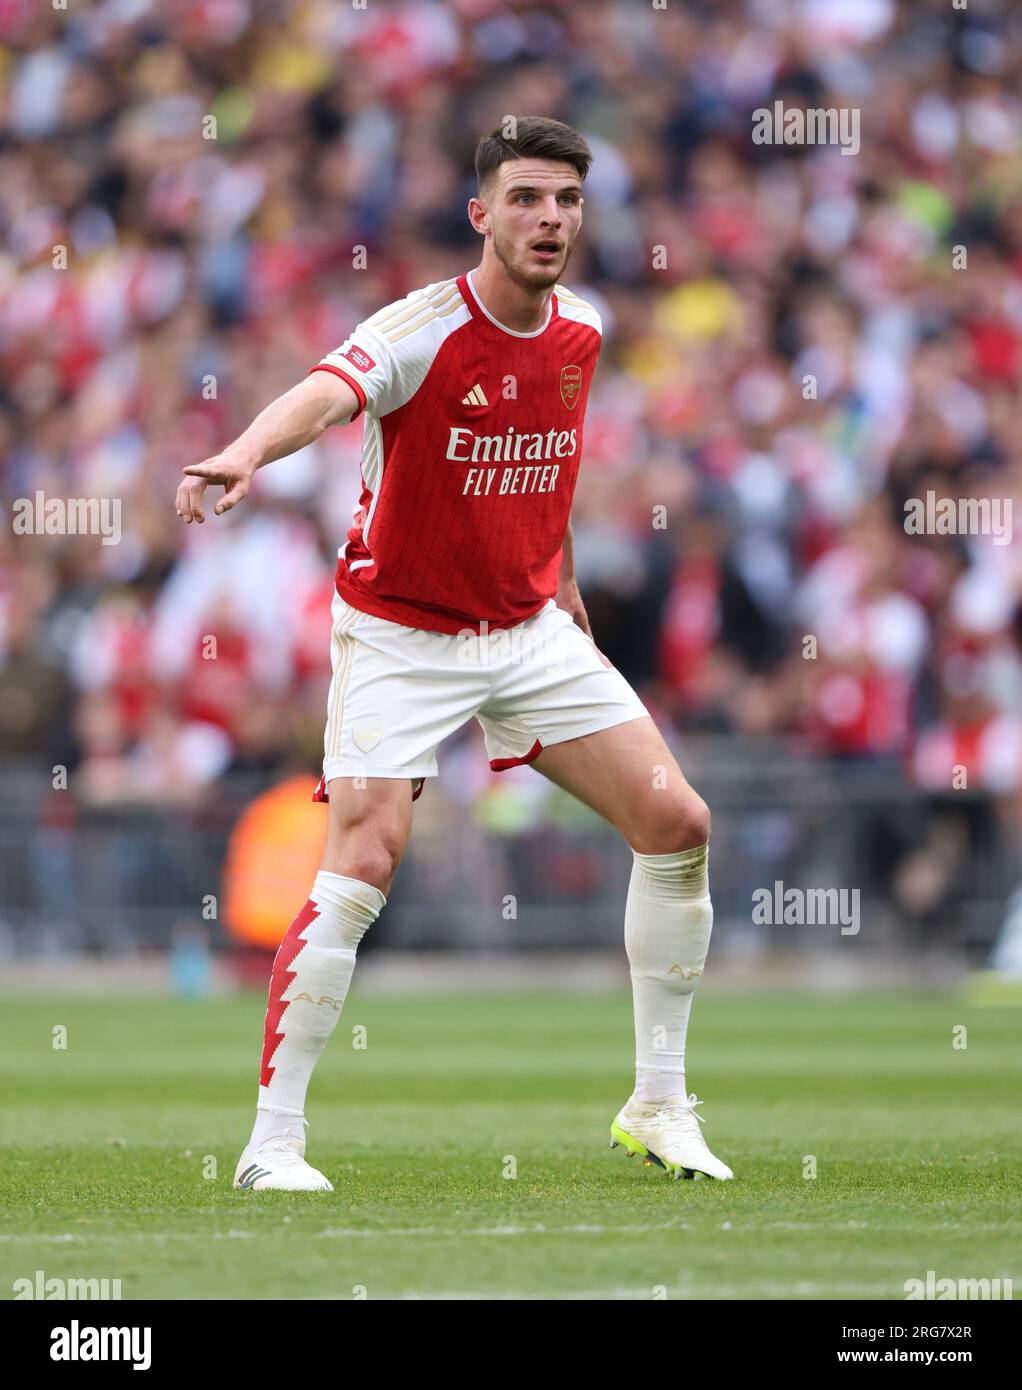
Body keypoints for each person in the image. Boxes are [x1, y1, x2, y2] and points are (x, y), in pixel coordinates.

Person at [176, 116, 733, 1190]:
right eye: (525, 199)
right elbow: (327, 391)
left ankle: (658, 1103)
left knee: (677, 822)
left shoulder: (580, 330)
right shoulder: (422, 328)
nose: (549, 219)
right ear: (482, 213)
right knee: (365, 858)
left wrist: (562, 585)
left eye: (565, 200)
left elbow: (550, 462)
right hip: (400, 632)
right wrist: (244, 451)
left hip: (524, 630)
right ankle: (270, 1144)